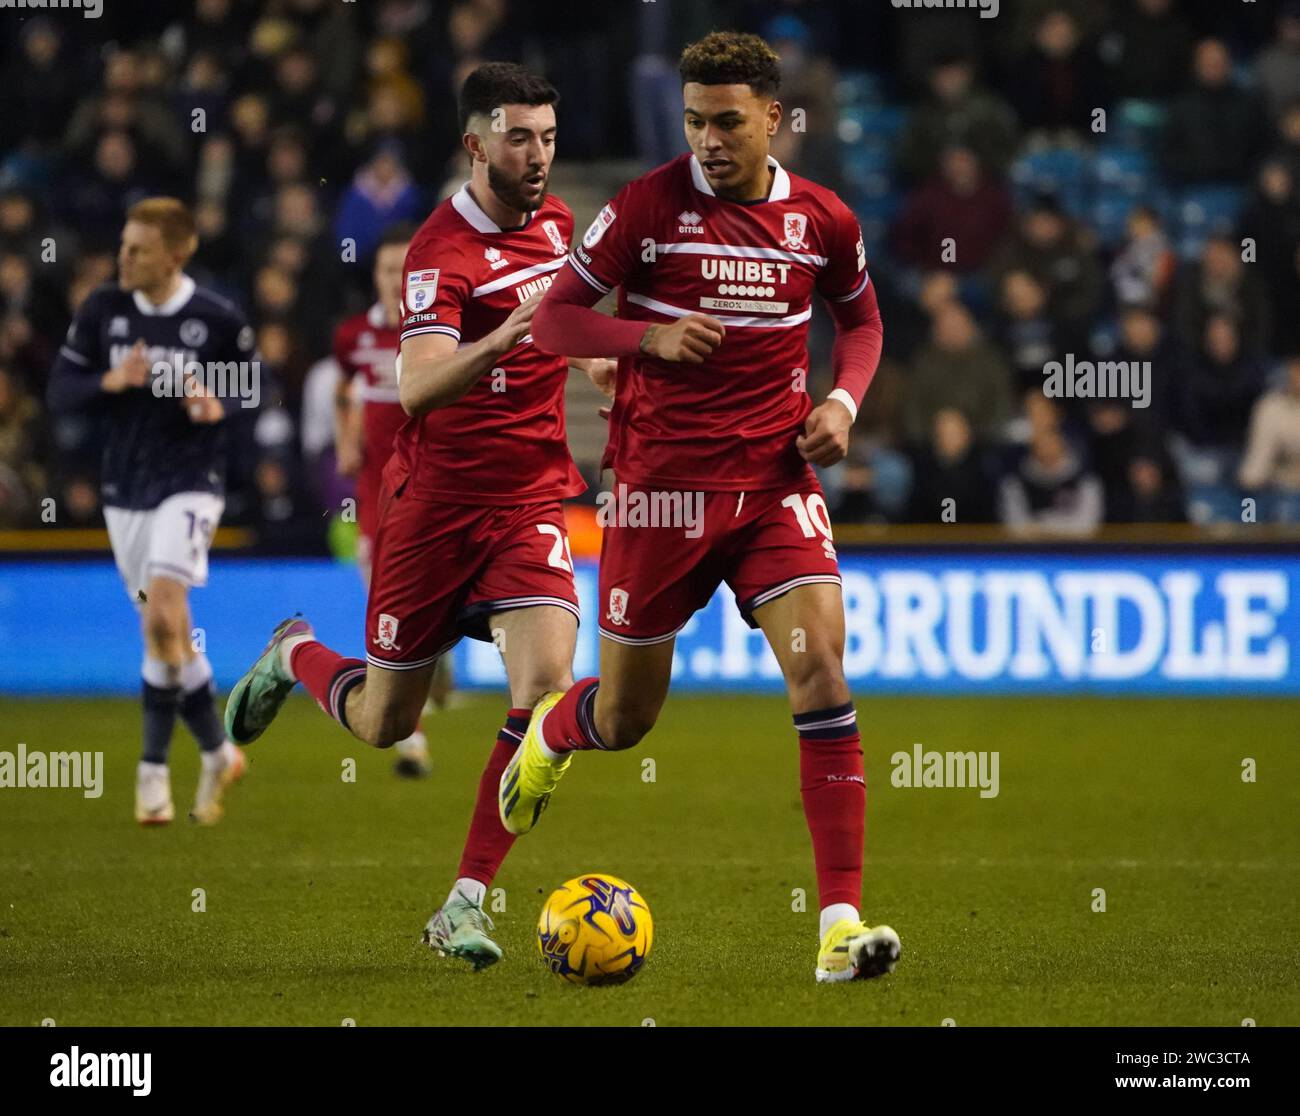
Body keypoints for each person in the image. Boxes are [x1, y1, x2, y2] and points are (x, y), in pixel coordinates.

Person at [517, 32, 899, 984]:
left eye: (727, 121)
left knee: (822, 675)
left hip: (774, 486)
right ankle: (552, 736)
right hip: (656, 498)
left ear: (775, 117)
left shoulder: (822, 220)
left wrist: (842, 404)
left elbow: (862, 319)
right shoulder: (647, 207)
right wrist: (646, 335)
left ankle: (839, 926)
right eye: (694, 121)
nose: (709, 140)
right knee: (627, 717)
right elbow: (559, 317)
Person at [223, 63, 613, 969]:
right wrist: (505, 337)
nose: (539, 157)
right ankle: (295, 654)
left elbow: (570, 320)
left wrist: (590, 360)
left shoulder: (556, 225)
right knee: (387, 721)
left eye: (549, 139)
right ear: (476, 143)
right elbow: (418, 383)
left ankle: (464, 901)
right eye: (520, 138)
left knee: (546, 681)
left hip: (526, 500)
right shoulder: (441, 251)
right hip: (433, 511)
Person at [46, 197, 256, 826]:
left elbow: (256, 387)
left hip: (191, 483)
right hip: (125, 490)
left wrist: (219, 403)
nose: (123, 258)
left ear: (177, 253)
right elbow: (60, 388)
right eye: (123, 246)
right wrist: (109, 383)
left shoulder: (213, 318)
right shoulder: (103, 311)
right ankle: (219, 753)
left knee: (164, 614)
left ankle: (152, 773)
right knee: (164, 632)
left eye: (137, 249)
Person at [332, 221, 450, 778]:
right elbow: (344, 388)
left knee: (435, 618)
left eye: (404, 269)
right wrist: (347, 436)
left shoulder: (440, 334)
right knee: (387, 613)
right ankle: (413, 740)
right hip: (377, 502)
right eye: (384, 268)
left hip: (437, 494)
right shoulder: (354, 335)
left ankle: (438, 670)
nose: (393, 279)